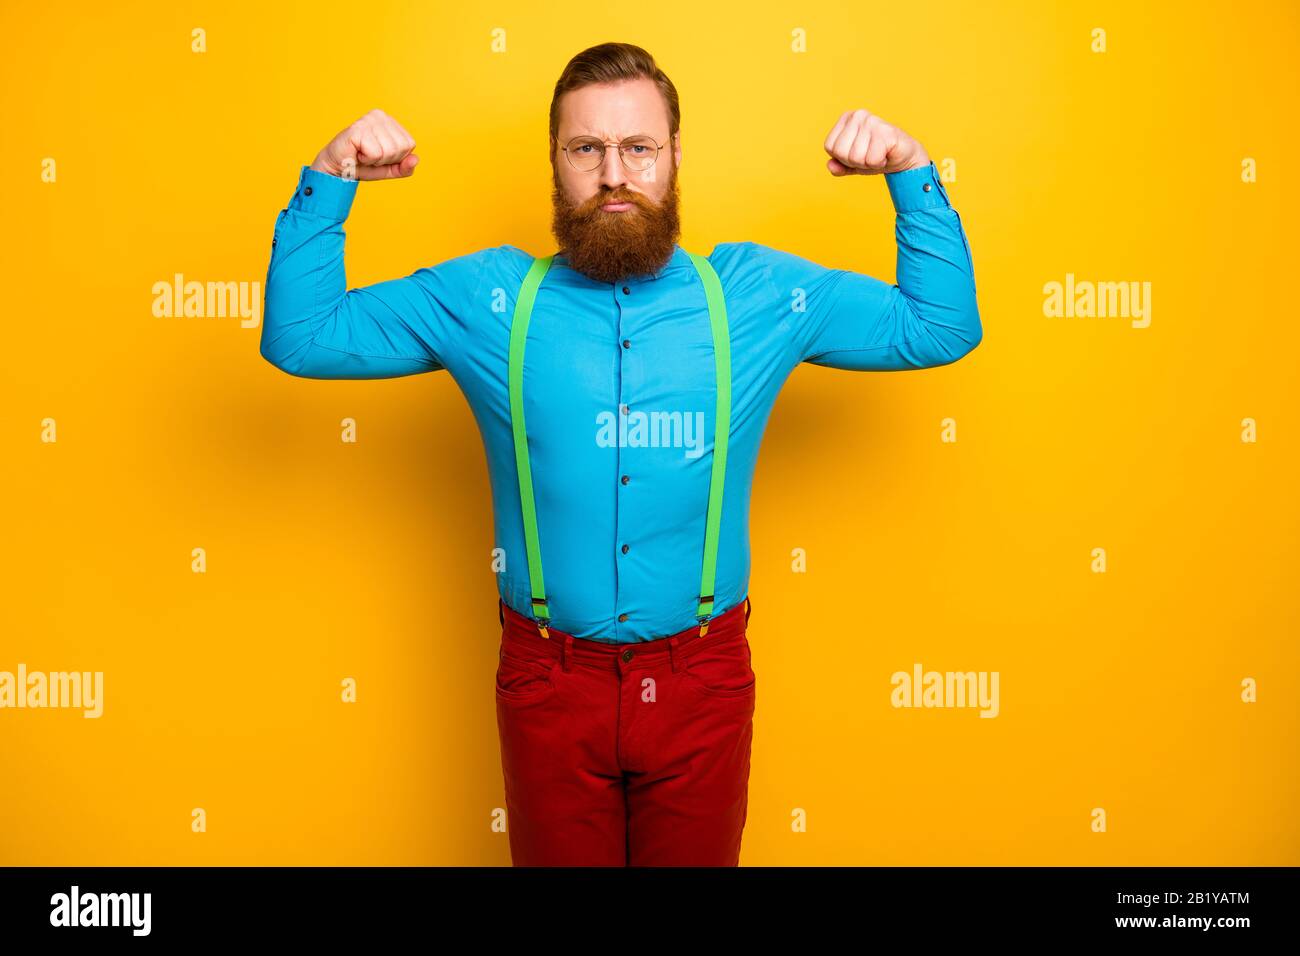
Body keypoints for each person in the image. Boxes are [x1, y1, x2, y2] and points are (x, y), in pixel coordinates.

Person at [260, 41, 981, 866]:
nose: (614, 176)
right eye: (586, 150)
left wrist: (912, 173)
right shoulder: (487, 300)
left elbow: (940, 326)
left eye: (638, 148)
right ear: (556, 164)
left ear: (674, 158)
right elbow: (303, 336)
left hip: (702, 682)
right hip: (546, 684)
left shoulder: (756, 297)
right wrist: (328, 185)